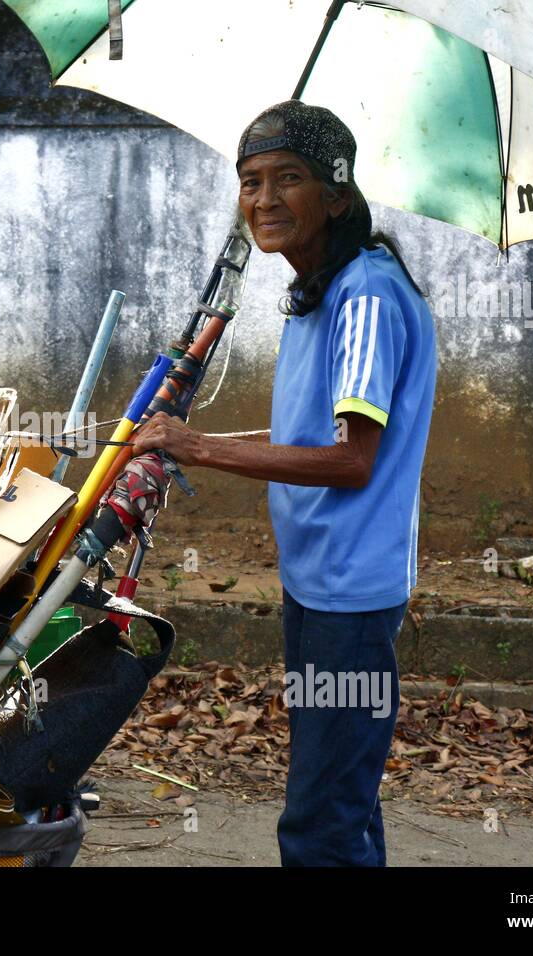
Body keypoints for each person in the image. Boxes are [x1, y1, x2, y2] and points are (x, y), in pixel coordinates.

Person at [132, 100, 437, 866]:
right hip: (318, 586)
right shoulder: (321, 290)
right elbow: (314, 439)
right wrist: (179, 447)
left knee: (320, 824)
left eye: (287, 179)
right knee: (342, 804)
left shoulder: (364, 295)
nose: (264, 200)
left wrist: (198, 446)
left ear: (336, 194)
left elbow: (351, 460)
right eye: (249, 181)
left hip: (349, 597)